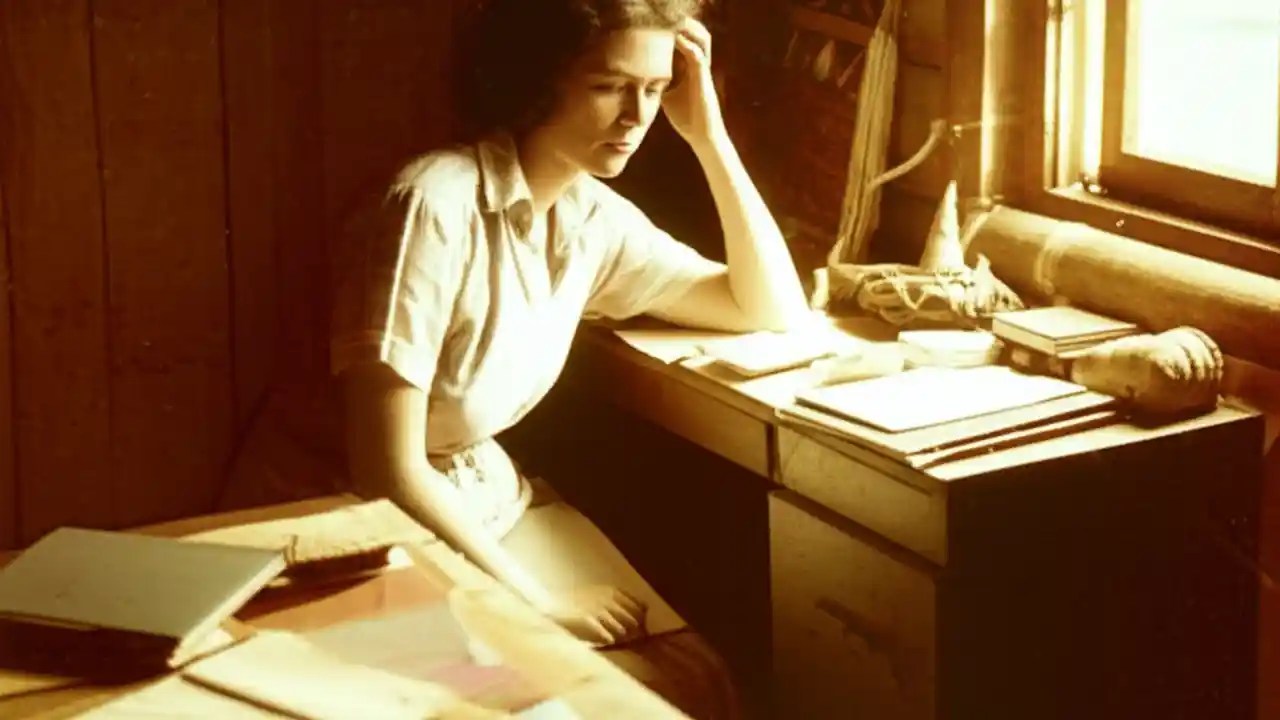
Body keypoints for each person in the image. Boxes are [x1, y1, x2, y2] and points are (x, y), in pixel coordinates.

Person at [330, 0, 808, 714]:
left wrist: (708, 136)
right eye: (608, 86)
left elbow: (769, 308)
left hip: (479, 497)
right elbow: (384, 466)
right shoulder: (432, 204)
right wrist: (536, 605)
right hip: (348, 519)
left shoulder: (589, 218)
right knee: (570, 706)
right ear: (537, 80)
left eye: (653, 90)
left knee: (696, 680)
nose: (636, 117)